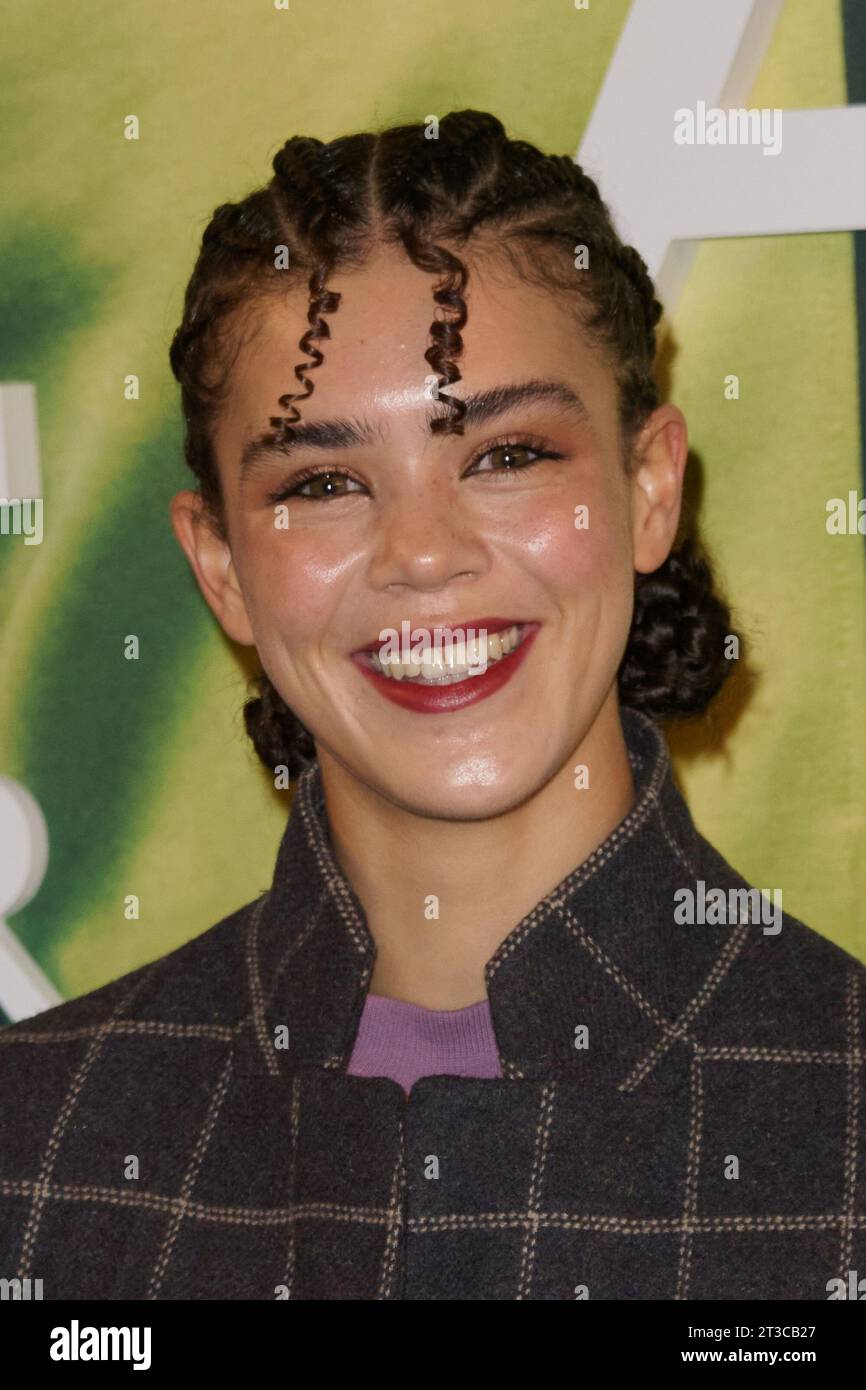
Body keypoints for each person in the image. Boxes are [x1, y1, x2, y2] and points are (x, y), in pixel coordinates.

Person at [1, 110, 863, 1302]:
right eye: (323, 481)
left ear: (649, 484)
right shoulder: (32, 1148)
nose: (421, 553)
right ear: (218, 569)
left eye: (506, 455)